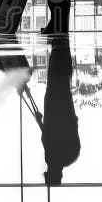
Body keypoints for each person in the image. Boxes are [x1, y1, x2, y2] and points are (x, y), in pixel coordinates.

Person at [41, 38, 80, 185]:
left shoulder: (71, 157)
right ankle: (58, 46)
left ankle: (61, 46)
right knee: (55, 77)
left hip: (63, 108)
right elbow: (48, 135)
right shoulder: (52, 158)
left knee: (62, 78)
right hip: (53, 108)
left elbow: (72, 127)